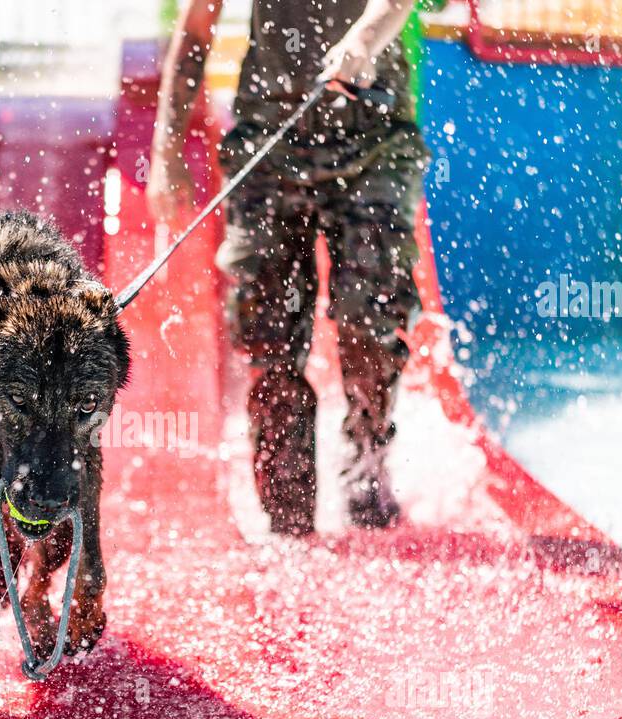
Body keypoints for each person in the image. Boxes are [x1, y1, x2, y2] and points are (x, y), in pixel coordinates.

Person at [148, 0, 428, 534]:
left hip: (374, 139)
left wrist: (363, 40)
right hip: (270, 144)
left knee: (368, 317)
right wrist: (166, 152)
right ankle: (287, 514)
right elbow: (196, 29)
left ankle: (367, 458)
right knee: (268, 336)